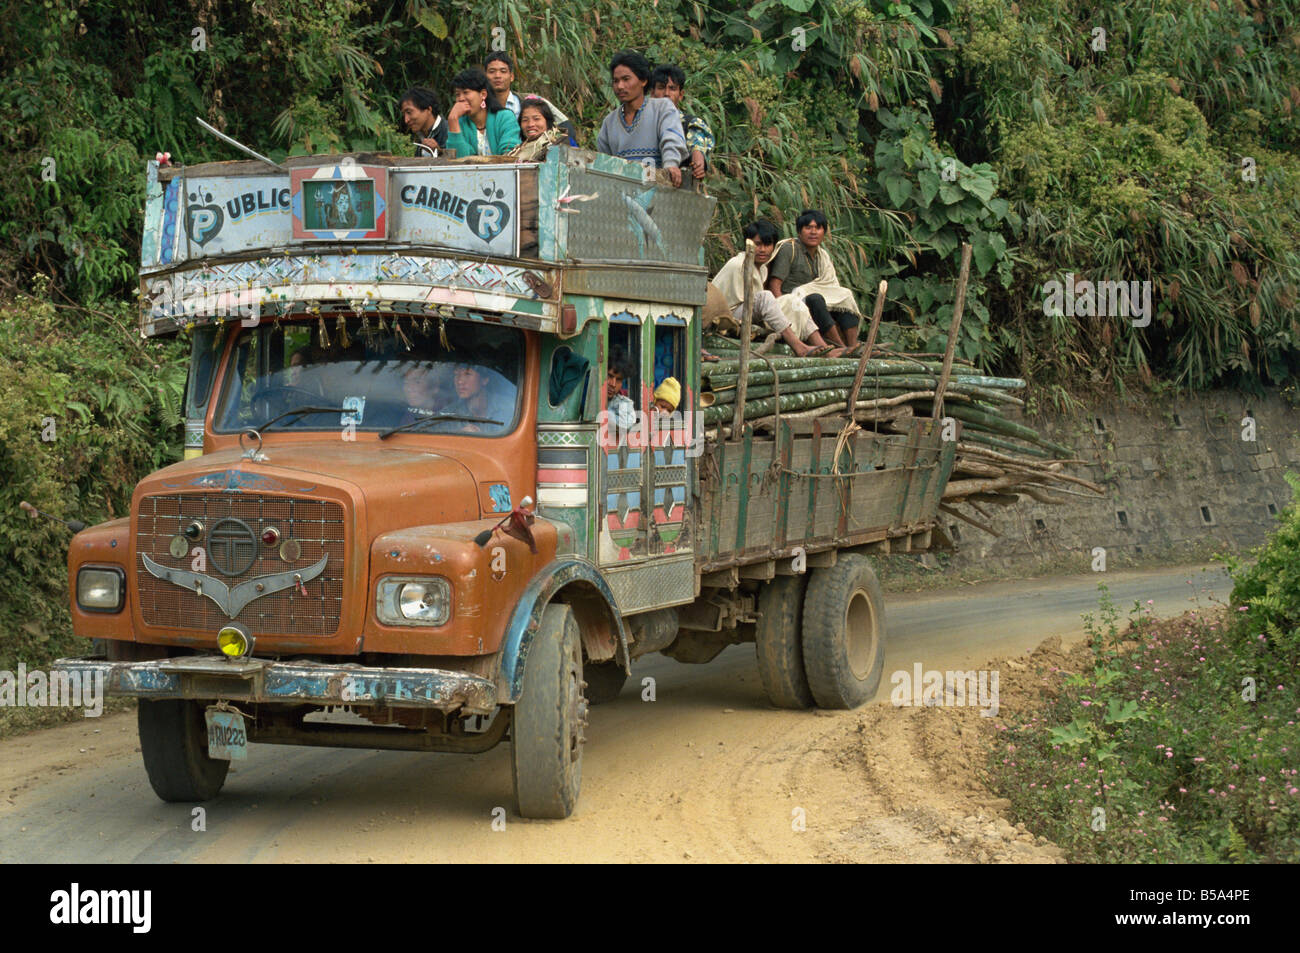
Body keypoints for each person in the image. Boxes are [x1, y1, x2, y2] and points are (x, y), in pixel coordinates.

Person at [710, 219, 841, 357]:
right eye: (758, 244)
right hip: (727, 317)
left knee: (794, 301)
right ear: (748, 244)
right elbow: (726, 306)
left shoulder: (762, 269)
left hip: (748, 312)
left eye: (767, 245)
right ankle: (799, 346)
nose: (763, 250)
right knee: (765, 296)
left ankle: (823, 347)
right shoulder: (739, 264)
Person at [767, 209, 864, 348]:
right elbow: (774, 284)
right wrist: (781, 310)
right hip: (793, 305)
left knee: (845, 295)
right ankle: (841, 348)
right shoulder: (790, 249)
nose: (813, 232)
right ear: (799, 232)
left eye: (818, 228)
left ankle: (853, 346)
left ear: (824, 232)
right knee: (815, 298)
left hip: (818, 308)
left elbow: (830, 287)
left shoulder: (822, 255)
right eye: (808, 228)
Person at [596, 50, 687, 188]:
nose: (620, 86)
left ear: (643, 80)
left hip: (660, 192)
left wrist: (671, 165)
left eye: (626, 79)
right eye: (616, 81)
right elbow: (604, 163)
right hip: (622, 195)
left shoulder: (662, 108)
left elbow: (672, 138)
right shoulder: (609, 122)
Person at [484, 52, 580, 146]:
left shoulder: (531, 100)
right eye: (492, 71)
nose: (497, 76)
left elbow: (564, 124)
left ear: (512, 77)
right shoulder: (479, 107)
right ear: (485, 76)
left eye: (503, 71)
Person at [650, 65, 714, 182]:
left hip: (674, 191)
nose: (666, 93)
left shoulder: (691, 124)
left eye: (672, 88)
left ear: (680, 95)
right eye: (661, 88)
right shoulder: (640, 122)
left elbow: (697, 144)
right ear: (652, 93)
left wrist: (698, 158)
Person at [444, 68, 521, 158]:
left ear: (483, 94)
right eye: (458, 94)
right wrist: (452, 120)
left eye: (466, 92)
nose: (461, 99)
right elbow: (459, 160)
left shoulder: (505, 118)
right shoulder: (458, 123)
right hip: (468, 172)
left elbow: (509, 154)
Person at [443, 362, 516, 433]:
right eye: (456, 375)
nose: (460, 381)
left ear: (484, 380)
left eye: (467, 374)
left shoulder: (509, 408)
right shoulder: (450, 412)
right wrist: (459, 435)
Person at [398, 86, 447, 156]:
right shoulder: (421, 136)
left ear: (428, 110)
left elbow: (459, 162)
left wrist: (439, 152)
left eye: (409, 112)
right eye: (404, 115)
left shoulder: (450, 132)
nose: (406, 120)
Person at [605, 352, 637, 430]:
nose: (613, 384)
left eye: (619, 380)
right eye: (609, 376)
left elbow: (627, 424)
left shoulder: (624, 402)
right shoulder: (585, 398)